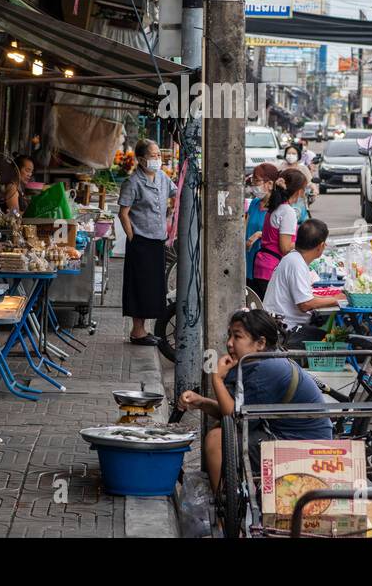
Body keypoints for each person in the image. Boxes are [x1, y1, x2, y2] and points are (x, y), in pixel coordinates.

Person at [178, 309, 332, 493]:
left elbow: (235, 419)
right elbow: (237, 412)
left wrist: (216, 378)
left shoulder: (265, 368)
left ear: (260, 343)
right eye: (229, 336)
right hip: (291, 437)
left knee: (217, 439)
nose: (229, 343)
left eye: (237, 337)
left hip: (304, 448)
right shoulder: (263, 361)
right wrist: (201, 402)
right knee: (221, 429)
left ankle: (223, 513)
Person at [118, 138, 177, 345]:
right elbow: (123, 213)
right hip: (141, 242)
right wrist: (133, 237)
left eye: (159, 155)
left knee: (153, 287)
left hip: (157, 240)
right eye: (153, 156)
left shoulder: (161, 177)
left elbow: (176, 193)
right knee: (139, 286)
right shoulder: (133, 182)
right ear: (142, 160)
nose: (157, 159)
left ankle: (143, 330)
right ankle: (137, 331)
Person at [261, 219, 343, 347]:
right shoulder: (296, 263)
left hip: (281, 325)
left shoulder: (294, 258)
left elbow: (306, 298)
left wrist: (332, 298)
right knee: (334, 341)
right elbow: (305, 304)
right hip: (285, 331)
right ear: (321, 246)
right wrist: (335, 300)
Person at [250, 168, 310, 299]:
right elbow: (285, 247)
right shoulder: (287, 212)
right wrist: (305, 244)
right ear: (299, 191)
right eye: (304, 189)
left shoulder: (274, 207)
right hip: (272, 268)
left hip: (262, 266)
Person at [245, 162, 280, 286]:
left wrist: (259, 234)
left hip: (266, 265)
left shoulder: (279, 209)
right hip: (248, 260)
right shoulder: (254, 203)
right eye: (253, 181)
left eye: (257, 181)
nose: (254, 185)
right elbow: (246, 226)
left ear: (270, 184)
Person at [280, 143, 316, 214]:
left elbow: (309, 182)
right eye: (289, 153)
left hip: (299, 200)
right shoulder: (280, 168)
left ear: (298, 156)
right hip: (282, 199)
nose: (291, 155)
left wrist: (314, 189)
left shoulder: (303, 168)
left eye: (293, 154)